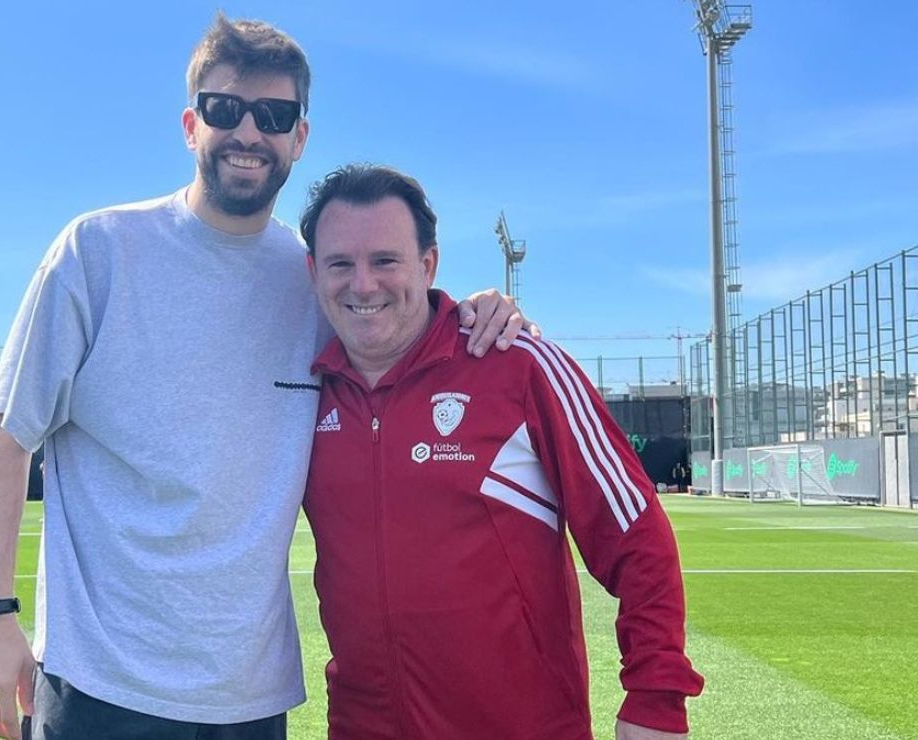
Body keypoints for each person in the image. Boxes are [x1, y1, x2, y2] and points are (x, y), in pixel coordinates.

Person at [0, 15, 529, 740]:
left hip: (251, 698)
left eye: (274, 115)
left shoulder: (314, 281)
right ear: (191, 124)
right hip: (103, 683)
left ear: (300, 136)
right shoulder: (97, 251)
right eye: (225, 109)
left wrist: (480, 311)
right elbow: (8, 433)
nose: (249, 133)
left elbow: (397, 322)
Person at [300, 164, 704, 739]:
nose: (363, 285)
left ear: (428, 265)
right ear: (314, 272)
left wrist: (656, 696)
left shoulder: (517, 364)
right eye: (341, 263)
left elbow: (636, 534)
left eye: (385, 260)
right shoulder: (303, 393)